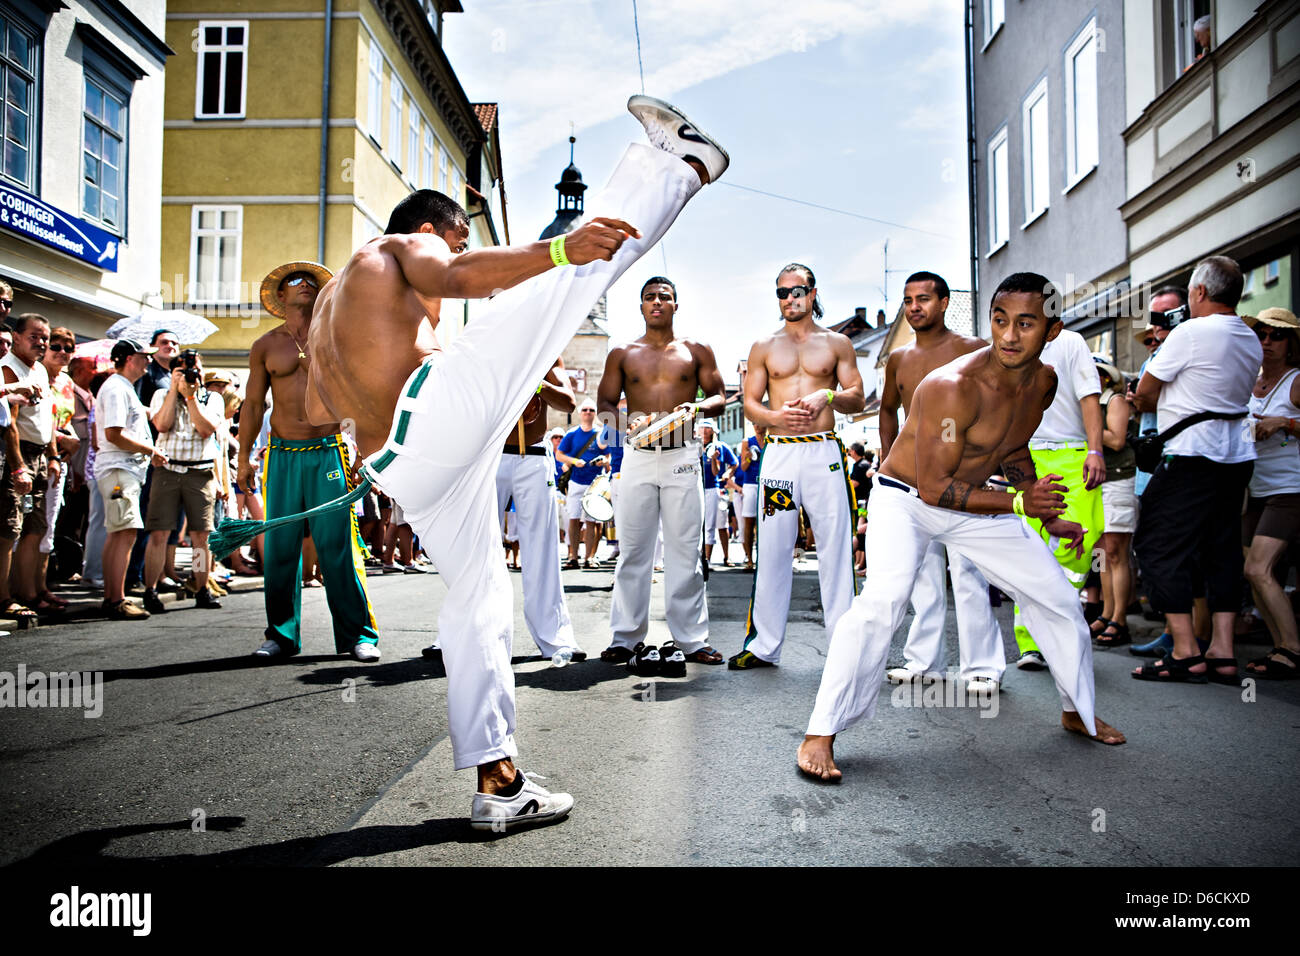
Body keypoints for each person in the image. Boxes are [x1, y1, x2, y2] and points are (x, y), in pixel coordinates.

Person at [294, 95, 725, 830]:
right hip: (429, 417)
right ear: (432, 229)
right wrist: (556, 247)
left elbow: (309, 414)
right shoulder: (395, 249)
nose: (459, 248)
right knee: (570, 278)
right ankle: (682, 164)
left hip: (399, 469)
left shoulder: (329, 302)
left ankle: (501, 780)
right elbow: (460, 280)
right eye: (458, 238)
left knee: (479, 603)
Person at [797, 273, 1127, 782]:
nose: (1010, 336)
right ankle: (821, 731)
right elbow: (934, 489)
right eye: (1000, 321)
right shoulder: (953, 387)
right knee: (882, 601)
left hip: (973, 503)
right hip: (906, 500)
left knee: (1055, 595)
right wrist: (1020, 501)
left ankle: (1075, 709)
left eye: (1025, 323)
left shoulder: (1043, 382)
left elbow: (1012, 446)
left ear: (1052, 330)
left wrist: (1047, 512)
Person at [239, 261, 380, 662]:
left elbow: (363, 398)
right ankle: (281, 635)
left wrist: (365, 452)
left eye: (311, 282)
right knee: (281, 547)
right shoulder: (266, 346)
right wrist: (242, 459)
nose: (304, 285)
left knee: (337, 545)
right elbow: (252, 405)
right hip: (282, 455)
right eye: (294, 282)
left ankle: (358, 636)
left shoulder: (338, 339)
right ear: (279, 297)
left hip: (329, 451)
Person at [731, 262, 866, 670]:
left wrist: (828, 396)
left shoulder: (837, 343)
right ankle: (762, 645)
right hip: (781, 456)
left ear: (812, 292)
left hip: (824, 453)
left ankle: (845, 647)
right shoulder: (764, 346)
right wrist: (773, 419)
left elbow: (858, 397)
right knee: (773, 545)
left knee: (836, 547)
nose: (790, 298)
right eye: (782, 292)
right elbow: (750, 401)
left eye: (797, 290)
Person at [1132, 255, 1260, 685]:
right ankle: (1222, 651)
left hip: (1190, 455)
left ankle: (1186, 652)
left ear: (1201, 293)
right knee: (1221, 549)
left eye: (1190, 292)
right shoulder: (1250, 338)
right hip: (1236, 458)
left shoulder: (1189, 333)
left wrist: (1157, 397)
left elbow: (1146, 394)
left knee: (1156, 543)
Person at [877, 271, 1006, 692]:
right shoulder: (898, 359)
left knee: (968, 570)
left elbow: (997, 406)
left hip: (964, 477)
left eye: (924, 299)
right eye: (908, 300)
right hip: (912, 480)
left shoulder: (974, 350)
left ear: (945, 302)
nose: (915, 307)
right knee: (922, 574)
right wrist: (884, 462)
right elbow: (886, 412)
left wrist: (992, 464)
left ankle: (982, 667)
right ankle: (923, 663)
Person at [597, 276, 727, 666]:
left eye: (664, 297)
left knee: (685, 549)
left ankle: (691, 639)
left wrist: (698, 408)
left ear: (675, 304)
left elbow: (720, 396)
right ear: (641, 306)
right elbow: (604, 402)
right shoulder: (623, 351)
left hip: (683, 453)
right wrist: (625, 424)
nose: (657, 302)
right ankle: (625, 637)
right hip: (637, 453)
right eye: (650, 297)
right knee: (633, 549)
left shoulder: (695, 350)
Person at [1011, 311, 1107, 670]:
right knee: (1029, 551)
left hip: (1074, 454)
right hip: (1027, 455)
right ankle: (1031, 643)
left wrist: (1096, 451)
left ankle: (1062, 634)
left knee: (1075, 548)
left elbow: (1090, 399)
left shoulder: (1070, 343)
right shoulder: (1009, 347)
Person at [491, 356, 585, 660]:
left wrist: (536, 383)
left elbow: (568, 402)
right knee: (477, 549)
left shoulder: (545, 349)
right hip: (489, 456)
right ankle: (464, 635)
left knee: (542, 551)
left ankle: (556, 637)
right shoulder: (485, 343)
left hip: (532, 458)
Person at [1239, 307, 1300, 678]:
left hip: (1291, 488)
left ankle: (1292, 648)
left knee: (1257, 568)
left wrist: (1286, 422)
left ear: (1291, 343)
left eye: (1277, 335)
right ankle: (1281, 648)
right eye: (1261, 333)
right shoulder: (1250, 380)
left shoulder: (1295, 380)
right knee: (1255, 572)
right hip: (1255, 489)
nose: (1267, 341)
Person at [141, 350, 223, 613]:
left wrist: (190, 397)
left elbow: (206, 429)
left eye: (194, 369)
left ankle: (202, 588)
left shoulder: (213, 398)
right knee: (159, 532)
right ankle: (150, 590)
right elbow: (162, 425)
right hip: (168, 470)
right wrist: (173, 392)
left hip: (200, 472)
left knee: (201, 535)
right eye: (183, 369)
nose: (190, 374)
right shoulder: (160, 395)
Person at [96, 340, 163, 619]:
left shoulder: (122, 387)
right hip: (119, 469)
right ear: (126, 358)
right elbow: (114, 434)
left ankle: (114, 597)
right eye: (142, 357)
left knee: (121, 532)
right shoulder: (116, 388)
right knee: (124, 532)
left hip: (123, 469)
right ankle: (116, 598)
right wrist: (151, 449)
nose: (148, 361)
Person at [2, 314, 58, 617]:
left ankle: (29, 592)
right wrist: (19, 466)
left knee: (36, 527)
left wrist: (53, 455)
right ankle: (4, 596)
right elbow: (9, 424)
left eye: (44, 337)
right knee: (10, 527)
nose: (42, 342)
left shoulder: (39, 369)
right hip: (19, 454)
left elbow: (47, 419)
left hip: (40, 454)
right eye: (35, 336)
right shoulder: (9, 368)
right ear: (18, 336)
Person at [1090, 356, 1139, 647]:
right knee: (1103, 553)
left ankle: (1120, 618)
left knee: (1116, 552)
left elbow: (1117, 440)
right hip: (1098, 482)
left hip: (1118, 480)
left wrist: (1086, 426)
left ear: (1106, 378)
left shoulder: (1115, 400)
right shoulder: (1091, 403)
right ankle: (1107, 612)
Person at [31, 326, 79, 607]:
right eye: (56, 346)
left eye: (68, 348)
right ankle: (20, 586)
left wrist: (68, 438)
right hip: (41, 452)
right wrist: (62, 439)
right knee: (28, 526)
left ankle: (41, 585)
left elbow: (65, 416)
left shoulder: (66, 382)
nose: (62, 352)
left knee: (48, 524)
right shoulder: (36, 374)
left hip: (61, 458)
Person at [556, 399, 608, 569]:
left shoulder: (601, 434)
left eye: (591, 410)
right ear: (579, 413)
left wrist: (603, 461)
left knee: (592, 521)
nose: (587, 412)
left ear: (595, 413)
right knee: (574, 519)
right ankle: (572, 556)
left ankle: (590, 557)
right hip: (576, 481)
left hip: (594, 483)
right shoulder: (571, 434)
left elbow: (609, 456)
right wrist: (574, 461)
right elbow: (559, 455)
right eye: (584, 409)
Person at [699, 420, 738, 567]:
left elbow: (734, 463)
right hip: (698, 489)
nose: (704, 430)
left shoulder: (719, 447)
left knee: (721, 525)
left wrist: (727, 472)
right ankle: (704, 558)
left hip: (715, 489)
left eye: (707, 428)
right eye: (701, 427)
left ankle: (722, 557)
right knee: (701, 525)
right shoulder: (694, 446)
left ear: (713, 431)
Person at [737, 424, 765, 569]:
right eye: (754, 423)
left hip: (766, 483)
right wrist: (747, 458)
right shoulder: (747, 441)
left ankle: (763, 558)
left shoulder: (770, 440)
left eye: (759, 422)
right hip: (750, 484)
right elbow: (743, 467)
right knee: (749, 521)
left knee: (766, 523)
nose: (757, 426)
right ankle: (749, 559)